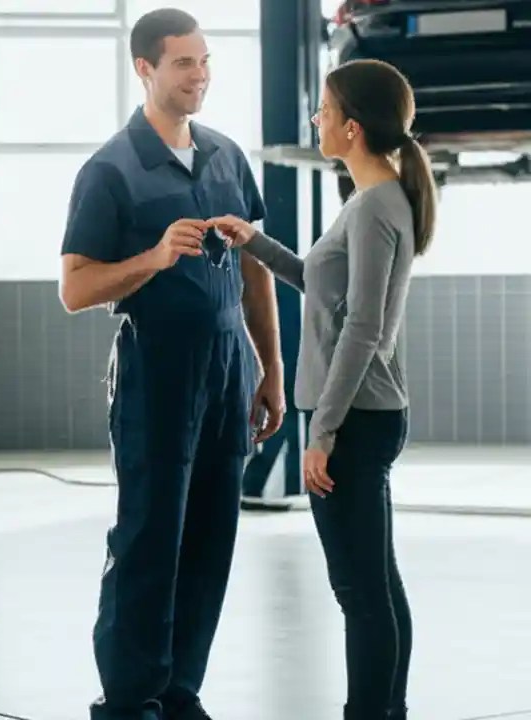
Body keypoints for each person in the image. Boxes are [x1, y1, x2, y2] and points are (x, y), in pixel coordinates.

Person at [58, 8, 285, 720]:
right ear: (145, 69)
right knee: (150, 533)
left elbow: (256, 274)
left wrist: (270, 368)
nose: (201, 76)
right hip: (157, 368)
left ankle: (181, 691)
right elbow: (75, 288)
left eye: (206, 60)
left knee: (213, 532)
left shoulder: (227, 157)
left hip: (228, 367)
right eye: (185, 63)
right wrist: (154, 257)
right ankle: (129, 699)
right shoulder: (110, 171)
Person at [211, 58, 435, 720]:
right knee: (377, 585)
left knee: (360, 591)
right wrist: (253, 241)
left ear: (353, 128)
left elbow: (362, 328)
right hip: (368, 413)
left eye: (325, 110)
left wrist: (324, 431)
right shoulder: (377, 200)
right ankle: (385, 711)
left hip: (355, 419)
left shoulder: (372, 209)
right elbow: (323, 285)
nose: (316, 119)